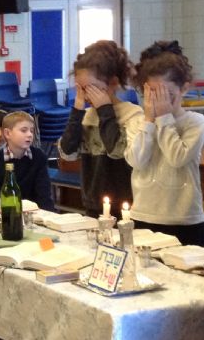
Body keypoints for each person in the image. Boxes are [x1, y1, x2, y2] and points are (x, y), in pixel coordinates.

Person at [124, 40, 204, 340]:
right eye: (150, 93)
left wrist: (163, 119)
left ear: (184, 90)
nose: (156, 100)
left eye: (166, 94)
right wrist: (149, 120)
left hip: (184, 221)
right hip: (146, 216)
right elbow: (136, 160)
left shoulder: (195, 121)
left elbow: (176, 158)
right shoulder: (140, 122)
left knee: (189, 306)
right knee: (156, 305)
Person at [59, 40, 144, 218]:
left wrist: (105, 111)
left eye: (91, 88)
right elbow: (68, 152)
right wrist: (76, 111)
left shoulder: (132, 115)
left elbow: (117, 151)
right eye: (81, 89)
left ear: (112, 83)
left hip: (126, 207)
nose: (86, 95)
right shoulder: (87, 116)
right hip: (93, 204)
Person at [0, 111, 56, 211]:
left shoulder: (39, 157)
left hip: (34, 214)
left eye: (31, 131)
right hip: (5, 213)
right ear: (7, 133)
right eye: (24, 130)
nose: (29, 135)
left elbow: (44, 195)